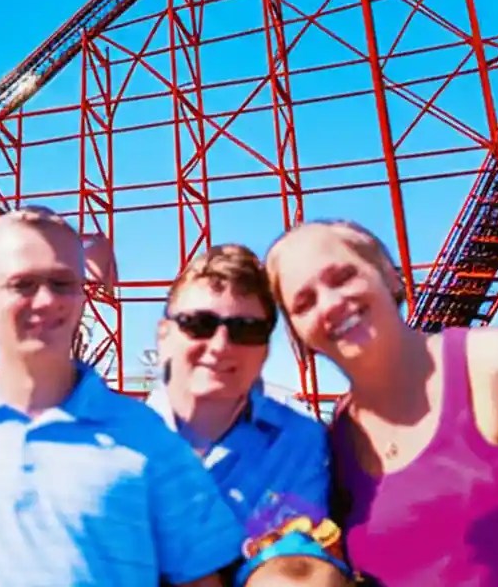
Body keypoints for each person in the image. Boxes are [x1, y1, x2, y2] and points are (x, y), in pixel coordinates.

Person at [264, 220, 498, 586]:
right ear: (298, 333)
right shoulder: (337, 439)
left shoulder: (497, 366)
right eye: (304, 302)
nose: (329, 304)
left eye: (343, 277)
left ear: (390, 276)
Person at [0, 206, 244, 586]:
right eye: (22, 284)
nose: (46, 300)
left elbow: (201, 578)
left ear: (82, 296)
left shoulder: (150, 437)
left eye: (62, 283)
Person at [146, 244, 353, 586]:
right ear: (164, 335)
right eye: (199, 324)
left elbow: (298, 570)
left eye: (246, 330)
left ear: (265, 349)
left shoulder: (299, 442)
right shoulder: (109, 442)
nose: (221, 345)